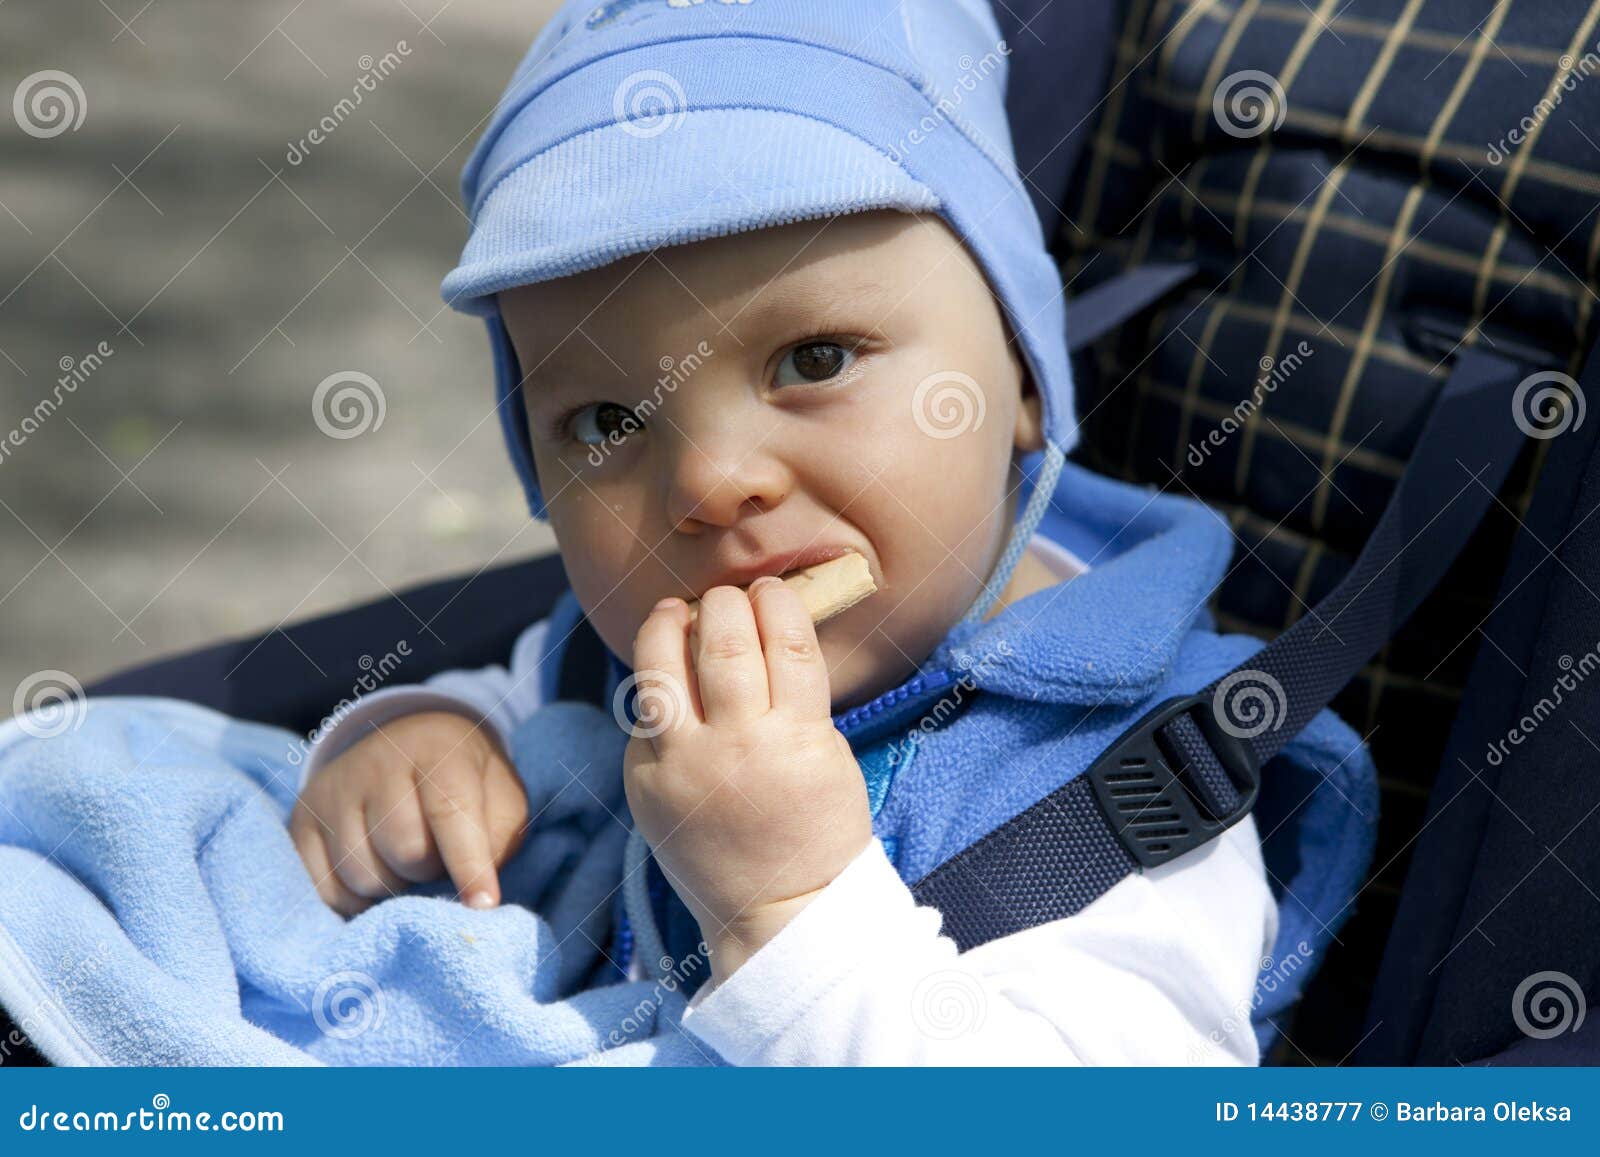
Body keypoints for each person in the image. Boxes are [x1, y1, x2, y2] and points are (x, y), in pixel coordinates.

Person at [288, 0, 1375, 1064]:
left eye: (813, 360)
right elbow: (528, 694)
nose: (711, 482)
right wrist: (428, 737)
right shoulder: (615, 649)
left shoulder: (1124, 785)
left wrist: (790, 903)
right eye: (607, 421)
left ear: (1023, 380)